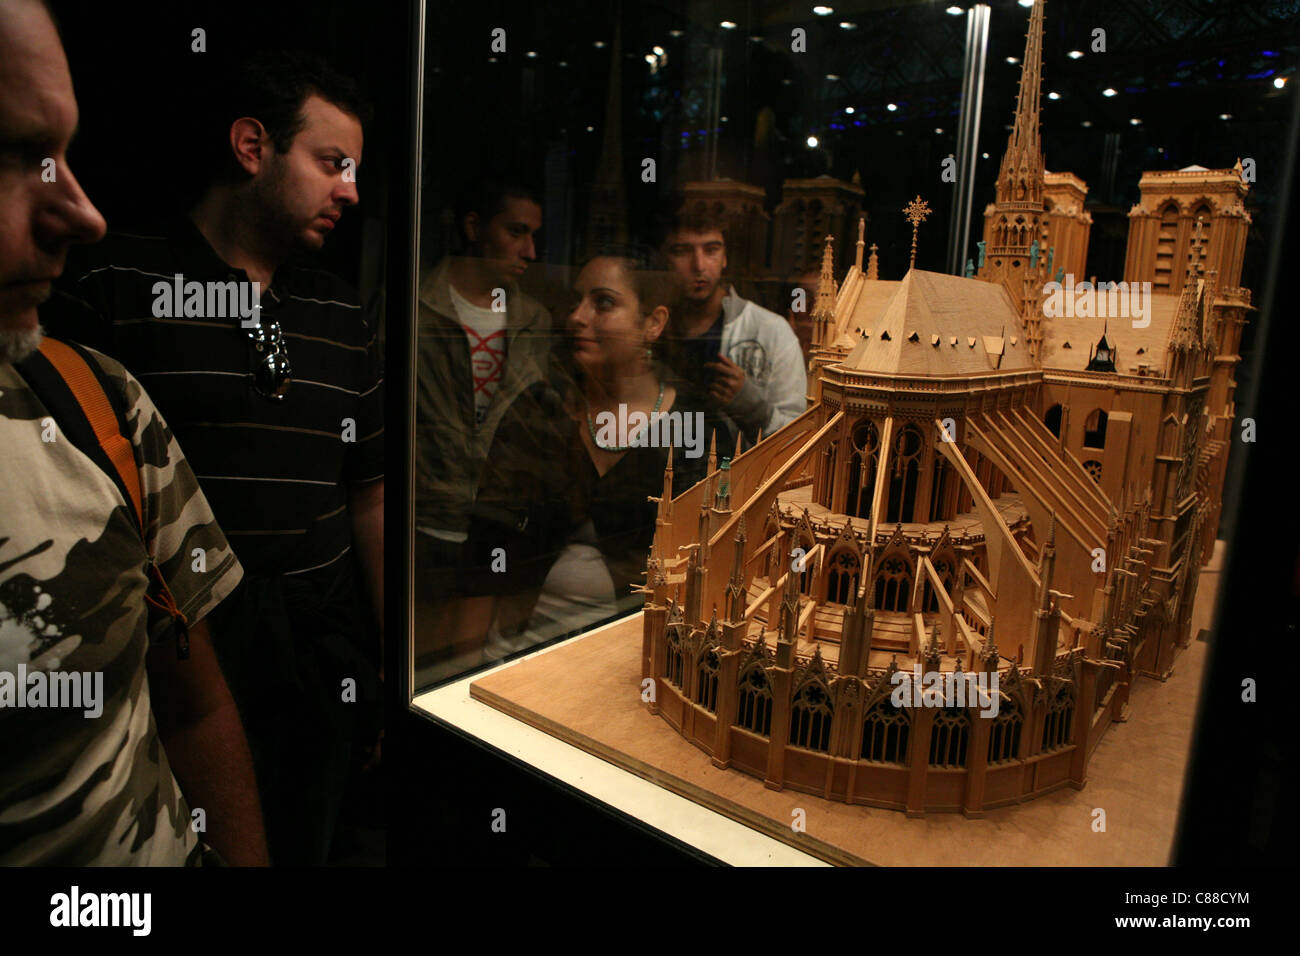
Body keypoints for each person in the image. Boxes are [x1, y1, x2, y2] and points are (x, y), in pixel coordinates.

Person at [41, 52, 383, 866]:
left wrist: (384, 670)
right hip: (176, 663)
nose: (352, 190)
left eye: (357, 170)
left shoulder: (341, 311)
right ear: (251, 146)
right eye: (332, 163)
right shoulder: (115, 278)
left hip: (316, 667)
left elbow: (367, 494)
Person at [0, 0, 268, 865]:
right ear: (252, 148)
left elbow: (195, 703)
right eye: (13, 154)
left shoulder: (93, 400)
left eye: (66, 155)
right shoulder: (129, 282)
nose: (83, 214)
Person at [465, 245, 737, 652]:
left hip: (639, 669)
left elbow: (712, 575)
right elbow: (485, 555)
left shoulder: (698, 429)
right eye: (576, 301)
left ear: (653, 323)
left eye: (603, 303)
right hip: (514, 659)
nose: (577, 317)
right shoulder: (540, 411)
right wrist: (465, 674)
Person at [413, 180, 551, 670]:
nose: (530, 251)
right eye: (516, 231)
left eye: (534, 235)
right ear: (474, 227)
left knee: (468, 676)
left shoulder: (534, 320)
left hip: (495, 530)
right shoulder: (415, 307)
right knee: (413, 666)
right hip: (422, 525)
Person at [660, 206, 807, 445]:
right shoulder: (652, 328)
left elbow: (799, 440)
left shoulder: (771, 330)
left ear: (725, 257)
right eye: (683, 251)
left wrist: (754, 409)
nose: (699, 265)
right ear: (665, 259)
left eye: (711, 250)